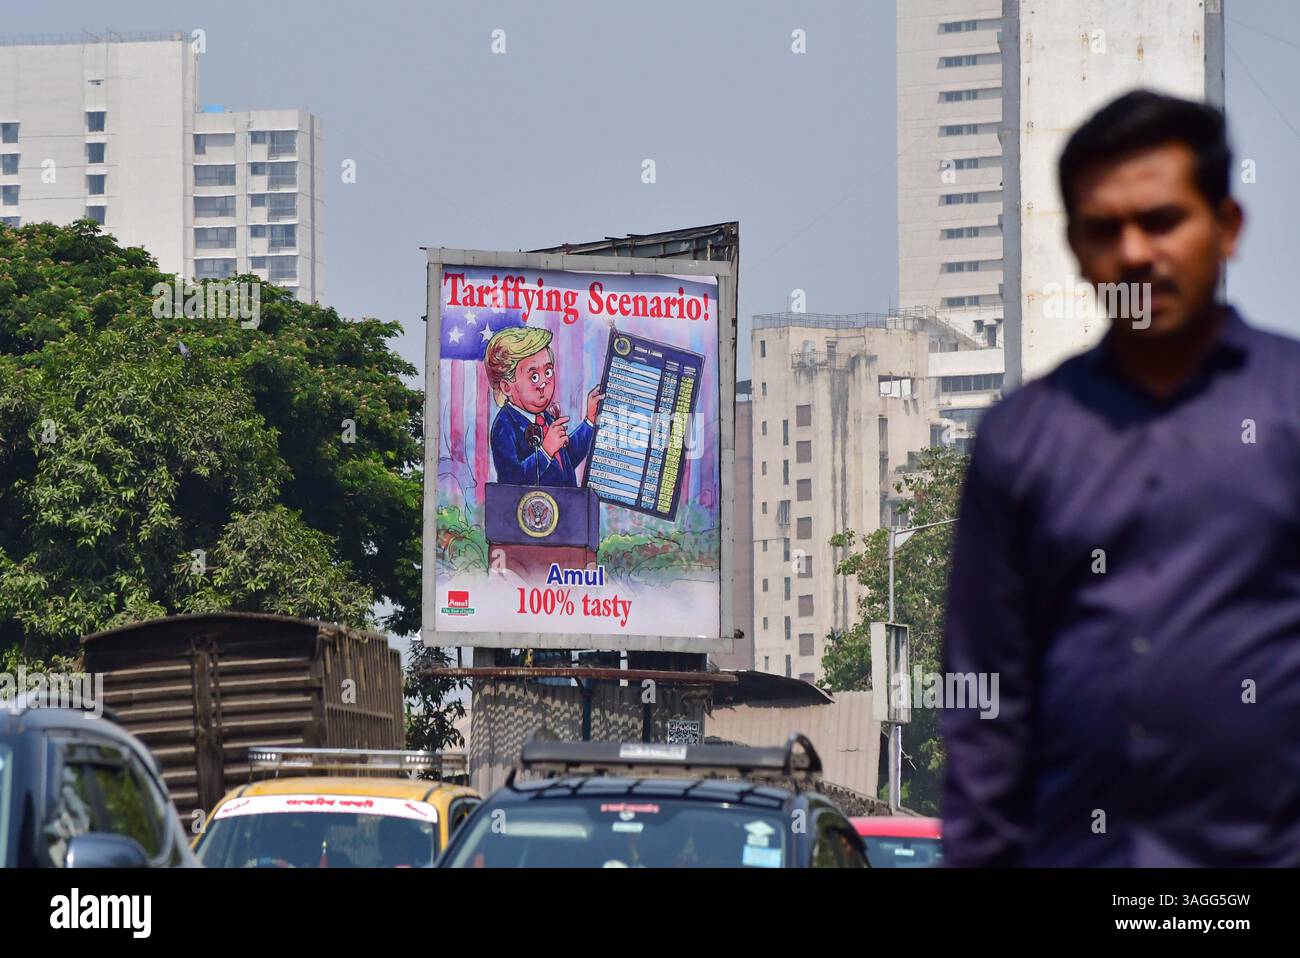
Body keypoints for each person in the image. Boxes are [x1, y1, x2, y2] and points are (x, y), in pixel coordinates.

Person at [942, 90, 1300, 866]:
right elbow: (984, 706)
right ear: (1074, 247)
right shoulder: (1021, 439)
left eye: (1163, 220)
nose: (1136, 253)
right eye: (1105, 230)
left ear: (1227, 227)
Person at [484, 326, 604, 486]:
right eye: (534, 376)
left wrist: (589, 420)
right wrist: (545, 451)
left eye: (548, 373)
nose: (543, 383)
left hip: (568, 505)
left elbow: (567, 461)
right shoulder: (504, 426)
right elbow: (511, 482)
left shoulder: (544, 418)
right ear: (507, 387)